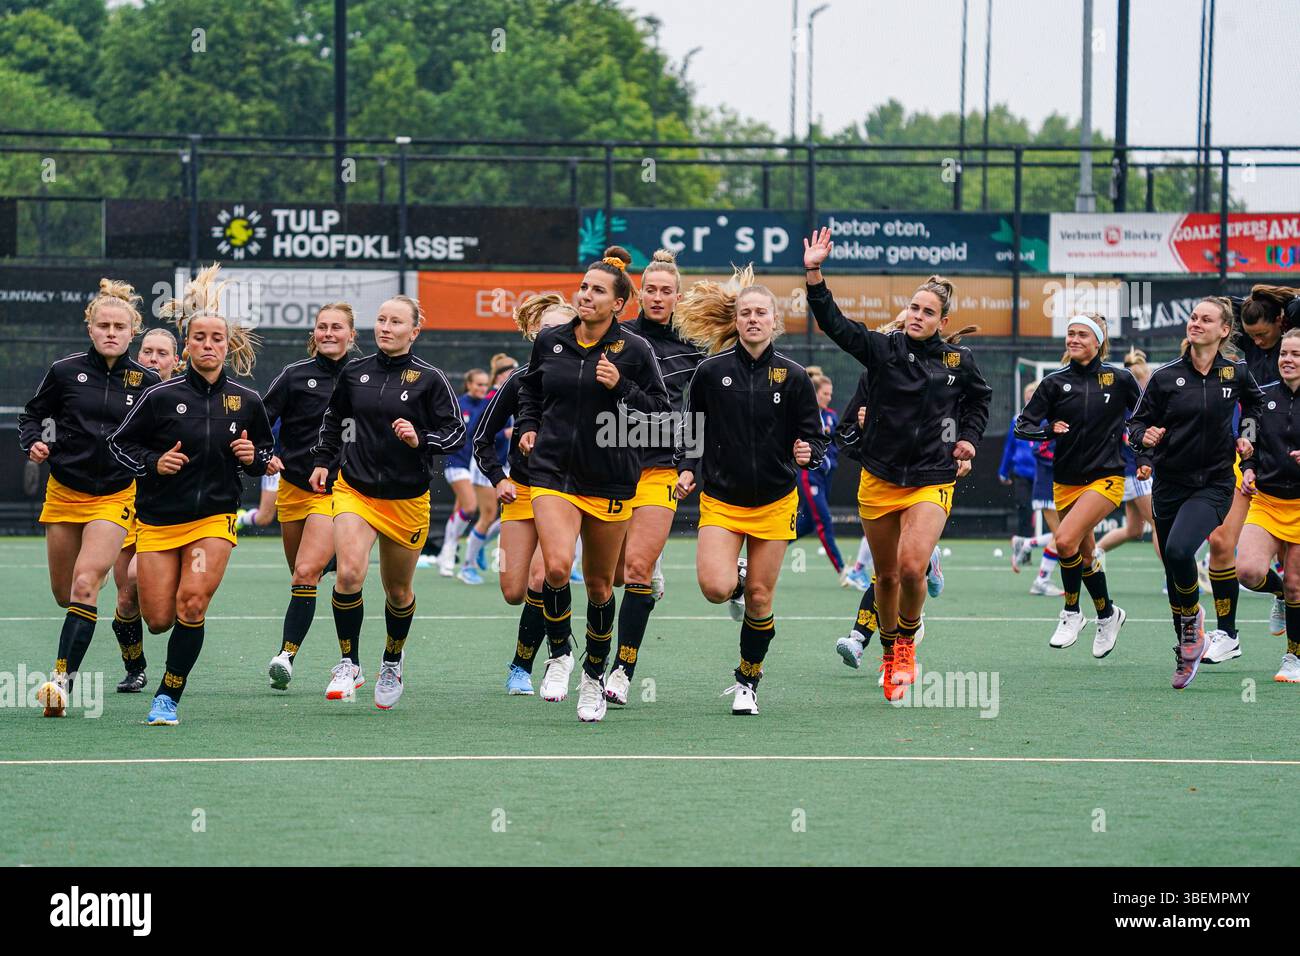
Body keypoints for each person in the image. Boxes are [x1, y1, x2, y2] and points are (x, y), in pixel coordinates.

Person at [803, 227, 991, 701]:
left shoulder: (958, 360)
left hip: (931, 478)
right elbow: (835, 324)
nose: (917, 316)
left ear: (943, 320)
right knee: (884, 577)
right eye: (913, 308)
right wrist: (815, 274)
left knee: (911, 568)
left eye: (928, 311)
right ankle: (888, 652)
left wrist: (968, 440)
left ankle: (906, 643)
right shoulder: (884, 350)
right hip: (880, 477)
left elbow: (978, 402)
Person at [108, 264, 275, 725]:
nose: (208, 345)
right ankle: (148, 661)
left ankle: (168, 695)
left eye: (216, 338)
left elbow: (264, 455)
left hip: (213, 519)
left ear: (227, 345)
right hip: (159, 521)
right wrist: (153, 463)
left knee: (193, 603)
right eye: (199, 338)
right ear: (187, 346)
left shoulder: (247, 401)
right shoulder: (160, 397)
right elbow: (121, 445)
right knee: (159, 618)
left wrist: (254, 458)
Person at [514, 246, 669, 722]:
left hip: (610, 480)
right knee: (556, 568)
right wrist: (528, 426)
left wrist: (621, 385)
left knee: (601, 587)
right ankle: (560, 654)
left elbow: (661, 414)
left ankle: (593, 677)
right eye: (583, 287)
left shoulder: (635, 350)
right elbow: (530, 390)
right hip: (552, 473)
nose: (586, 295)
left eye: (598, 290)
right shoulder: (551, 340)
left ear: (618, 304)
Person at [673, 264, 827, 715]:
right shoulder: (710, 372)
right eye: (746, 313)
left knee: (761, 598)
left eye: (761, 313)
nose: (753, 319)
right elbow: (692, 429)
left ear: (775, 320)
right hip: (722, 500)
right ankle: (737, 578)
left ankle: (747, 680)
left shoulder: (794, 377)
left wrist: (810, 453)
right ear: (736, 320)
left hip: (776, 501)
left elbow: (815, 438)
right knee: (715, 588)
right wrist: (687, 469)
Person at [310, 295, 465, 709]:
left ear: (414, 331)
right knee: (348, 574)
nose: (385, 327)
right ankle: (349, 663)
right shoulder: (354, 372)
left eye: (396, 322)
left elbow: (455, 433)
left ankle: (392, 661)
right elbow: (334, 421)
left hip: (406, 499)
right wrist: (324, 461)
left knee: (398, 591)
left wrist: (421, 439)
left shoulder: (431, 379)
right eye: (381, 320)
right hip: (355, 490)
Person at [20, 279, 161, 716]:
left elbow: (160, 436)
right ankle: (86, 590)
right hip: (64, 492)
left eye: (120, 327)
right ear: (90, 328)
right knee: (66, 594)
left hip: (115, 496)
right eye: (104, 326)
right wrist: (33, 442)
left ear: (132, 331)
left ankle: (61, 682)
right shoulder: (65, 372)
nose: (111, 333)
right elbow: (32, 415)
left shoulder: (147, 381)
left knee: (85, 585)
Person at [1127, 296, 1265, 689]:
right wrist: (1144, 441)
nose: (1196, 323)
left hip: (1214, 484)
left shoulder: (1236, 372)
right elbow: (1137, 425)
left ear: (1224, 330)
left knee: (1178, 550)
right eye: (1193, 317)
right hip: (1169, 483)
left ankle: (1193, 625)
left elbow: (1255, 407)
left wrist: (1247, 438)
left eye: (1206, 319)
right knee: (1174, 570)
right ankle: (1186, 648)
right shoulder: (1165, 377)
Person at [605, 249, 703, 707]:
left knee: (637, 571)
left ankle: (622, 671)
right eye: (651, 289)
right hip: (611, 464)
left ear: (678, 297)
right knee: (615, 576)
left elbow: (697, 411)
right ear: (638, 294)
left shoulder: (693, 348)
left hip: (660, 466)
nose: (658, 297)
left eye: (667, 291)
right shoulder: (616, 337)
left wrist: (690, 463)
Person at [1013, 314, 1141, 657]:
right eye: (1070, 333)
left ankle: (1071, 611)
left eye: (1082, 334)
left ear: (1098, 342)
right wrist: (1047, 429)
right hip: (1065, 482)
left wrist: (1145, 457)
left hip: (1107, 478)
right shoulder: (1053, 383)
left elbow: (1144, 419)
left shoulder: (1120, 379)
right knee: (1084, 556)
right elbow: (1023, 425)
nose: (1074, 339)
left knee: (1065, 540)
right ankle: (1108, 614)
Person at [474, 295, 575, 695]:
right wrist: (498, 478)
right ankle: (543, 650)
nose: (552, 335)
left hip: (564, 492)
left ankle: (528, 663)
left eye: (560, 328)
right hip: (521, 490)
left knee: (541, 576)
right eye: (545, 328)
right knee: (513, 591)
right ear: (535, 333)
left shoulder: (585, 379)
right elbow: (482, 438)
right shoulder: (519, 380)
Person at [1198, 286, 1300, 661]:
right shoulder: (1251, 347)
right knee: (1222, 542)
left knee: (1294, 574)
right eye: (1250, 335)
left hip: (1290, 471)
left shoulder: (1290, 341)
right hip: (1253, 458)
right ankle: (1228, 633)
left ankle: (1292, 630)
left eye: (1263, 334)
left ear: (1281, 324)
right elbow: (1221, 304)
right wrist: (1258, 300)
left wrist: (1287, 308)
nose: (1256, 341)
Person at [262, 303, 357, 690]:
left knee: (305, 571)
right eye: (322, 327)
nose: (329, 333)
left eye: (337, 327)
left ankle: (285, 656)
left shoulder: (364, 376)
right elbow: (261, 419)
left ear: (351, 335)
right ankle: (338, 558)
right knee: (304, 577)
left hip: (337, 491)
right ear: (314, 334)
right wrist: (264, 455)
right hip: (292, 489)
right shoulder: (294, 375)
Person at [111, 327, 181, 693]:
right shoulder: (123, 397)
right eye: (147, 352)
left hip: (172, 511)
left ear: (176, 361)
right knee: (126, 597)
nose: (153, 359)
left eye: (161, 353)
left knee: (153, 600)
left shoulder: (186, 398)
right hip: (125, 503)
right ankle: (134, 667)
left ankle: (176, 666)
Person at [1236, 328, 1300, 683]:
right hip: (1267, 501)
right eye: (1284, 354)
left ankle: (1294, 656)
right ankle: (1277, 593)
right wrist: (1248, 467)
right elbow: (1248, 440)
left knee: (1296, 584)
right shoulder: (1261, 398)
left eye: (1296, 354)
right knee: (1247, 571)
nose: (1287, 360)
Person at [1095, 349, 1157, 561]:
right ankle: (1174, 576)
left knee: (1134, 530)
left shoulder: (1133, 405)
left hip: (1131, 472)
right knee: (1159, 524)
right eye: (1146, 381)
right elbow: (1132, 441)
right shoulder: (1130, 407)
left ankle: (1094, 553)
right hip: (1136, 472)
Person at [433, 368, 489, 577]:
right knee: (470, 507)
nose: (483, 388)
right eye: (479, 384)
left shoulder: (487, 405)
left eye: (485, 385)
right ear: (469, 384)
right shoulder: (458, 404)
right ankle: (449, 552)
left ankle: (444, 553)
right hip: (456, 463)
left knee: (460, 510)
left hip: (474, 465)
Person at [1010, 381, 1064, 596]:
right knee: (1062, 537)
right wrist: (1064, 461)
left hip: (1060, 485)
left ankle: (1027, 543)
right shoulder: (1045, 420)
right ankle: (1041, 581)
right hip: (1048, 487)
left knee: (1067, 534)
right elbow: (1040, 451)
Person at [794, 370, 845, 574]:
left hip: (826, 477)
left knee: (807, 524)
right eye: (825, 393)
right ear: (815, 394)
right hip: (810, 476)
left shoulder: (831, 416)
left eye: (830, 394)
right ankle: (843, 570)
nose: (829, 397)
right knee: (824, 521)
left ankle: (772, 546)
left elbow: (836, 443)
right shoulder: (806, 416)